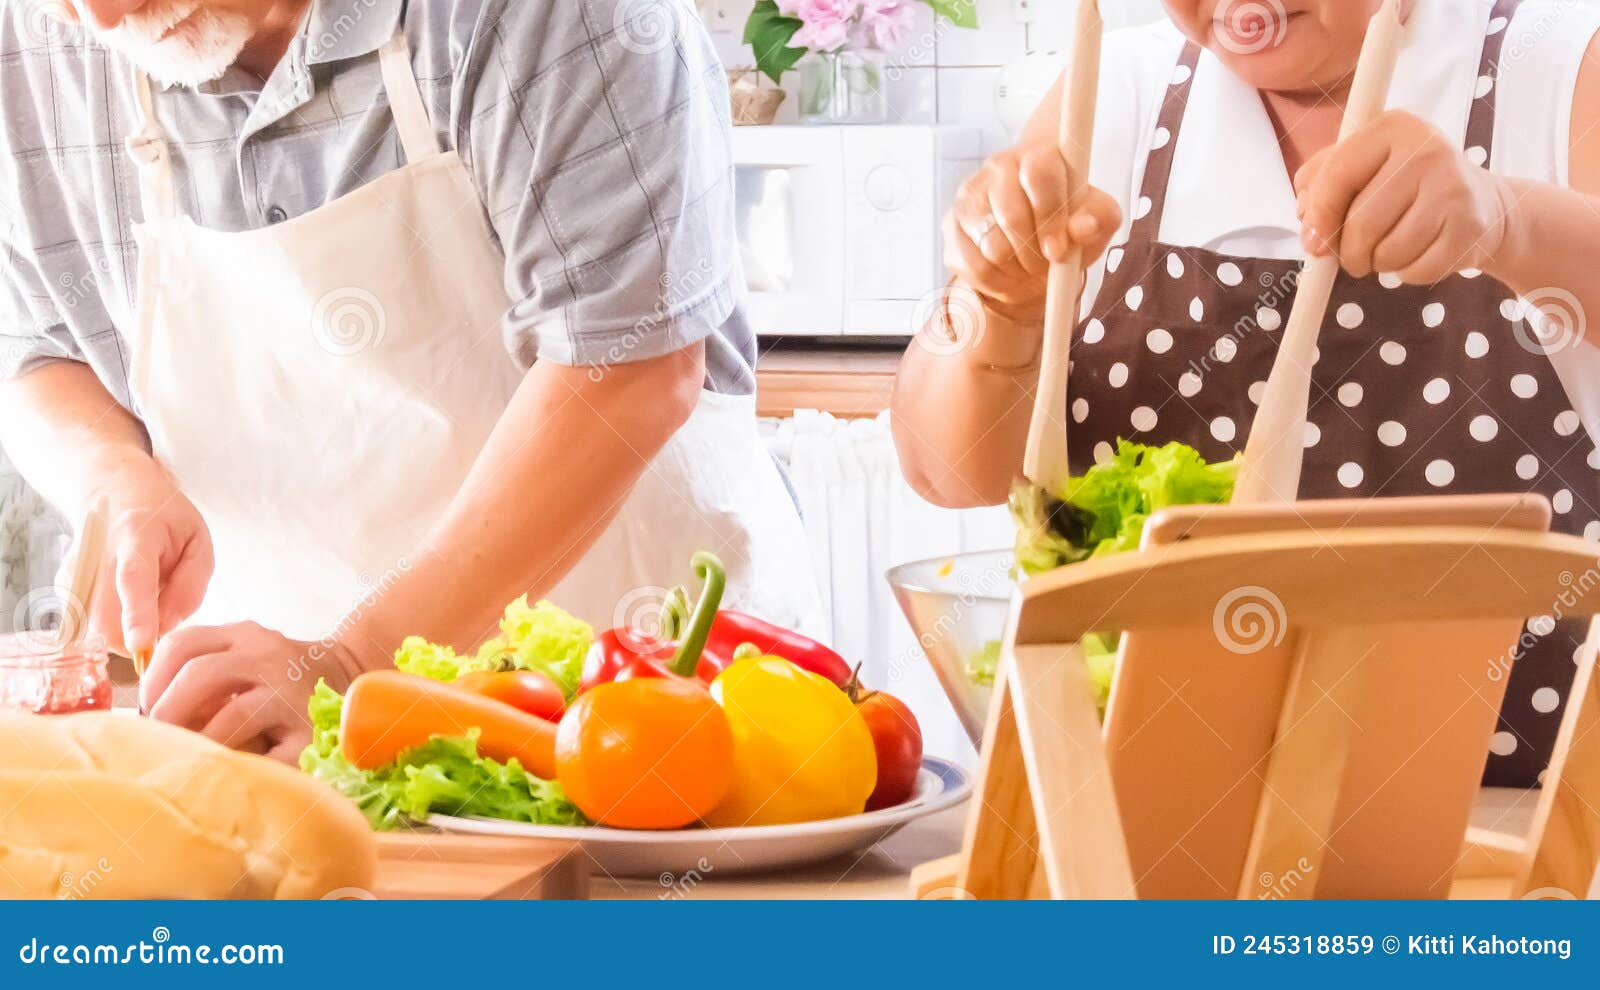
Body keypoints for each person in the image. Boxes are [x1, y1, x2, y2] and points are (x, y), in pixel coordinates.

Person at [0, 0, 820, 760]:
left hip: (654, 727)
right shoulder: (36, 36)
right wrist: (113, 473)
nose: (100, 16)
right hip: (292, 762)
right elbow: (35, 349)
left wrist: (356, 662)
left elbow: (629, 368)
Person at [892, 0, 1600, 786]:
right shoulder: (1118, 90)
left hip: (1508, 822)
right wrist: (1000, 303)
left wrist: (1509, 221)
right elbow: (948, 472)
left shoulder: (1554, 65)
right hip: (1151, 823)